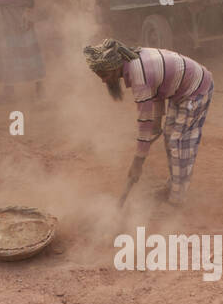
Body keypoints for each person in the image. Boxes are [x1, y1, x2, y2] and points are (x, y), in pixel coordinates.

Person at [83, 39, 212, 207]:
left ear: (115, 67)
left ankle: (178, 199)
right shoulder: (132, 62)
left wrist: (138, 161)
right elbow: (157, 88)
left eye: (104, 75)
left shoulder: (139, 77)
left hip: (195, 89)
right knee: (170, 138)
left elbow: (145, 123)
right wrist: (157, 122)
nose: (103, 81)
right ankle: (174, 186)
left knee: (178, 142)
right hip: (178, 90)